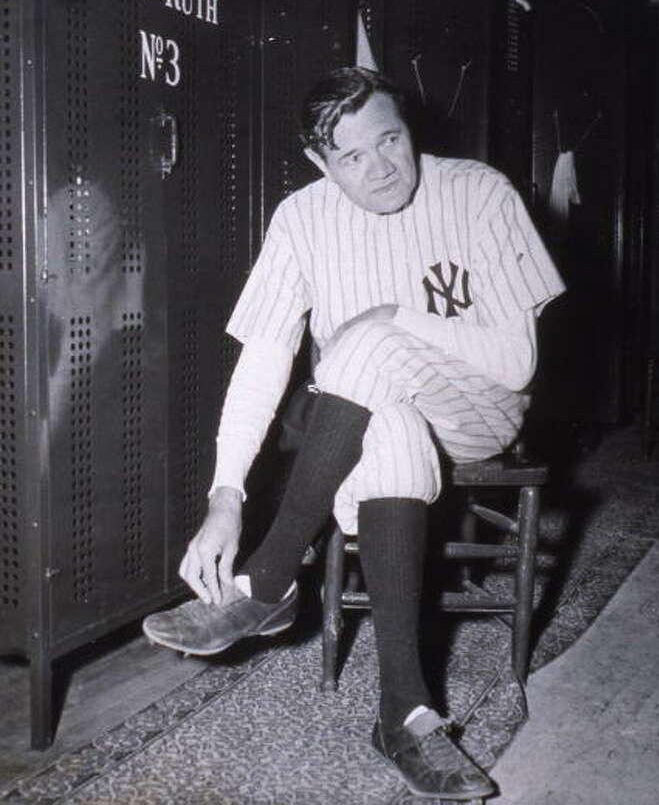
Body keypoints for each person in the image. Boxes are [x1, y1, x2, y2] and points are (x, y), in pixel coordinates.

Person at [143, 66, 564, 800]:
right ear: (320, 163)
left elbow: (518, 360)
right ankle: (405, 713)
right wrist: (225, 494)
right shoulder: (300, 219)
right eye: (352, 157)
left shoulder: (479, 192)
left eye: (391, 140)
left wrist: (394, 320)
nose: (382, 168)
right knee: (390, 430)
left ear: (408, 127)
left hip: (481, 409)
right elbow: (264, 361)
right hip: (373, 413)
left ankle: (269, 579)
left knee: (366, 341)